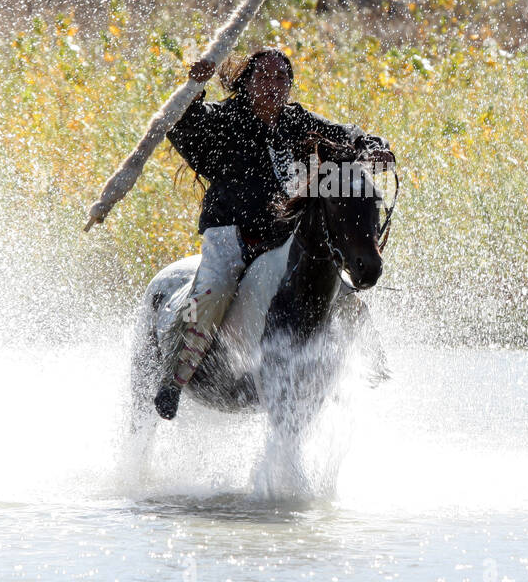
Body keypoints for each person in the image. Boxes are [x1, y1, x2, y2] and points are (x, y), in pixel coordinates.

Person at [156, 48, 395, 419]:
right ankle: (174, 379)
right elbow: (181, 124)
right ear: (247, 83)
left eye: (282, 78)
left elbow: (346, 136)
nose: (273, 85)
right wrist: (194, 89)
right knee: (214, 291)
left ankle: (373, 368)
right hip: (230, 236)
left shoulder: (297, 121)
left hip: (281, 238)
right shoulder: (224, 118)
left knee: (343, 291)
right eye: (264, 78)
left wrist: (373, 147)